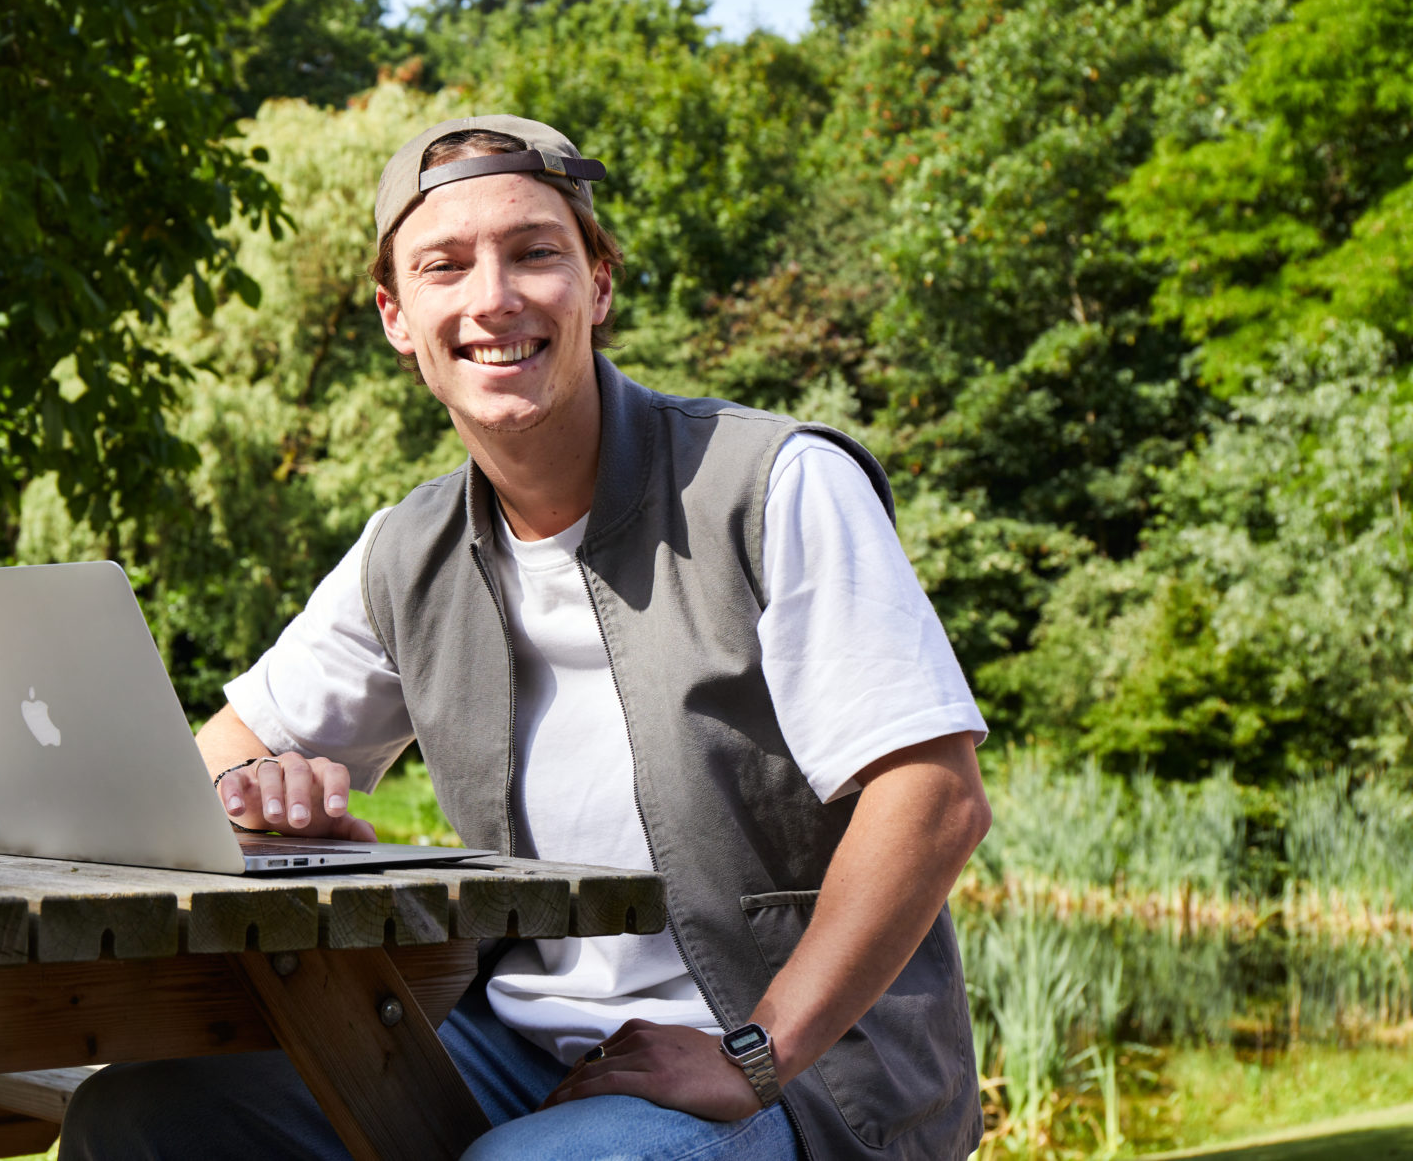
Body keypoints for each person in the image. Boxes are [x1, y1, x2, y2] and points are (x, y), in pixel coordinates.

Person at [60, 114, 992, 1161]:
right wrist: (267, 809)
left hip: (797, 1071)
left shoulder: (776, 484)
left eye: (534, 252)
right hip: (514, 1048)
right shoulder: (406, 551)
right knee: (139, 1117)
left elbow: (934, 799)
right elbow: (199, 781)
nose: (493, 297)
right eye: (444, 266)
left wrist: (757, 1052)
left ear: (598, 285)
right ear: (396, 316)